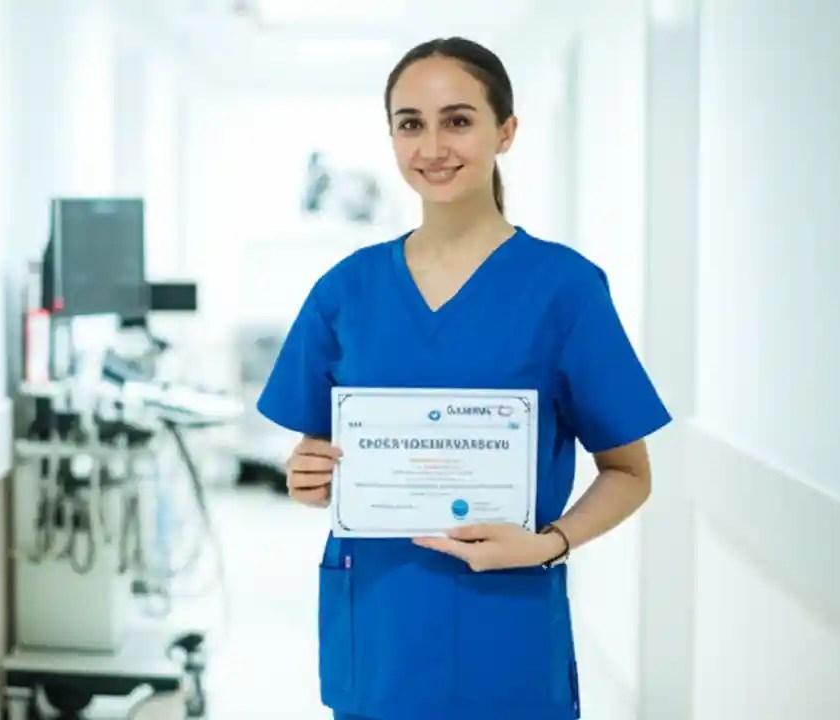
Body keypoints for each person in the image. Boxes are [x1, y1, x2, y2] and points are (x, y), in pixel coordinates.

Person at [256, 37, 671, 720]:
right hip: (380, 630)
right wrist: (305, 478)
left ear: (505, 131)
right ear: (391, 137)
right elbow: (315, 461)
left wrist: (550, 542)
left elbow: (630, 471)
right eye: (410, 123)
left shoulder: (563, 289)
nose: (433, 146)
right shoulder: (346, 290)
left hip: (505, 624)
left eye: (458, 120)